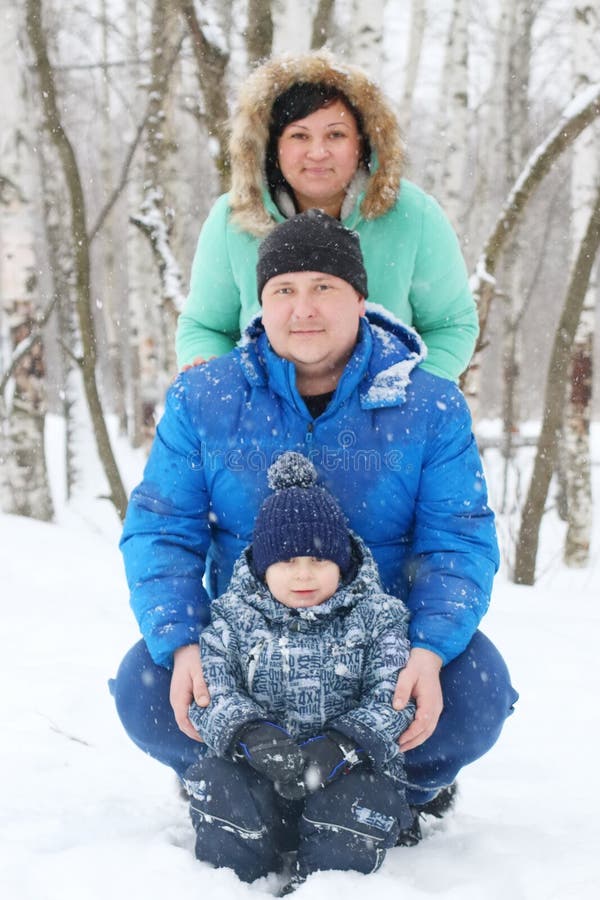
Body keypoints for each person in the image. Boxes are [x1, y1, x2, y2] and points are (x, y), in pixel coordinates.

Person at [114, 210, 517, 849]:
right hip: (247, 653)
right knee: (146, 681)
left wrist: (429, 650)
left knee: (478, 684)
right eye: (284, 290)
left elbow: (458, 537)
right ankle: (233, 784)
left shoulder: (429, 404)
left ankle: (388, 792)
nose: (303, 308)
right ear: (262, 303)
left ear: (360, 299)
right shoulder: (205, 398)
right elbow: (162, 528)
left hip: (378, 656)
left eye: (323, 287)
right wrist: (185, 642)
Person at [183, 450, 415, 888]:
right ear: (263, 565)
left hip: (343, 776)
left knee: (359, 804)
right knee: (219, 785)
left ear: (342, 562)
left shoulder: (377, 616)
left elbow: (395, 696)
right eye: (288, 562)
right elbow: (209, 687)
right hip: (260, 774)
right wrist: (247, 734)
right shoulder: (234, 616)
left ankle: (329, 882)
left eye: (320, 561)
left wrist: (346, 744)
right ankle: (231, 880)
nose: (304, 575)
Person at [175, 49, 478, 383]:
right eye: (299, 136)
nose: (317, 152)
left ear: (362, 143)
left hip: (384, 422)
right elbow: (205, 327)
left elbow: (451, 325)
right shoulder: (233, 218)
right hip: (265, 423)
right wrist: (223, 388)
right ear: (273, 146)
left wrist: (409, 394)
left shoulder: (414, 215)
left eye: (335, 135)